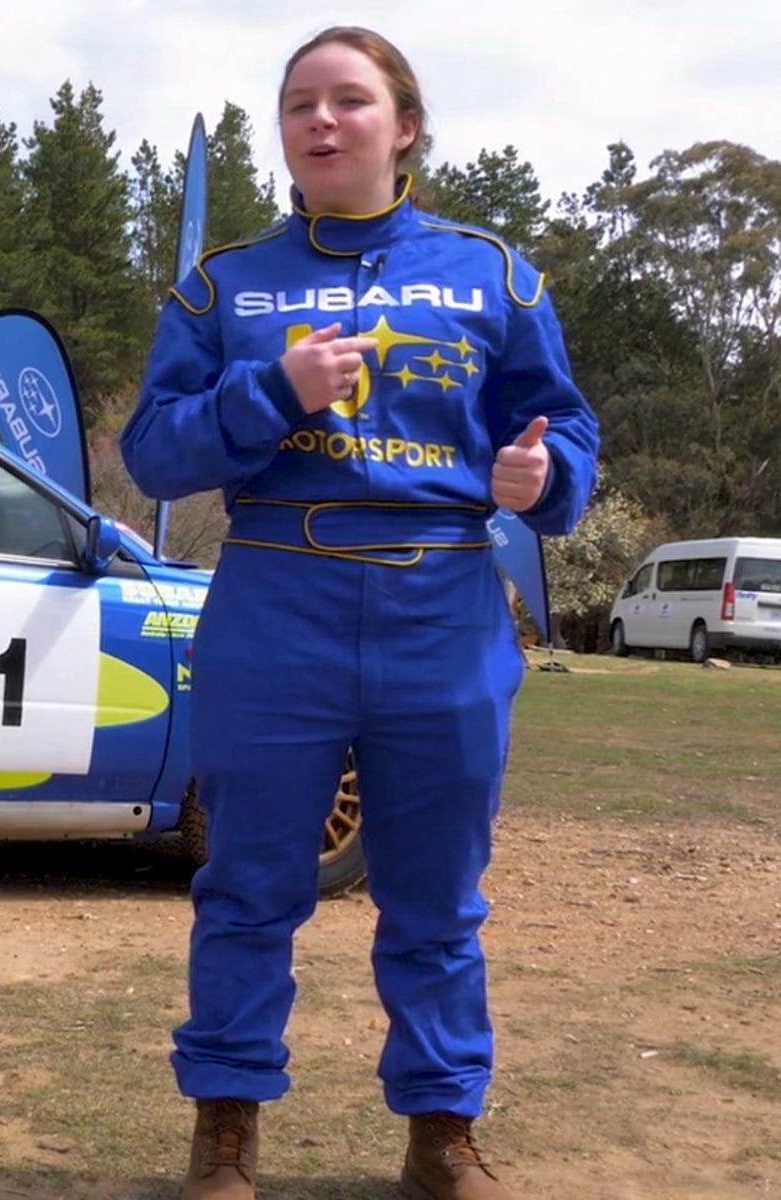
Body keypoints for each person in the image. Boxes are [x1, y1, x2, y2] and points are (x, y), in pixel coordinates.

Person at [120, 25, 598, 1200]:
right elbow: (153, 452)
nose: (321, 123)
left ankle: (442, 1131)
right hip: (275, 598)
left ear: (405, 124)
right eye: (298, 106)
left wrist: (548, 484)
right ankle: (225, 1126)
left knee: (436, 894)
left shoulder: (494, 276)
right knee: (248, 882)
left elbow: (564, 431)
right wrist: (269, 392)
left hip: (442, 601)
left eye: (348, 101)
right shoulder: (225, 285)